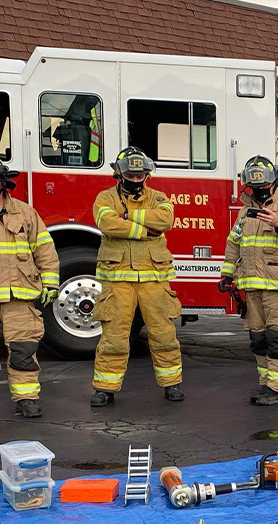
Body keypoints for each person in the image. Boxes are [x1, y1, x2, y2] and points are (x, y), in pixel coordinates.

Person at [91, 147, 182, 406]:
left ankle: (172, 383)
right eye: (130, 176)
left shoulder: (158, 197)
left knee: (163, 333)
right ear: (119, 174)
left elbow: (165, 220)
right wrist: (144, 231)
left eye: (140, 175)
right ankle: (105, 388)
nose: (135, 179)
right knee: (114, 336)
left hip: (154, 278)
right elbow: (107, 223)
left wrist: (129, 216)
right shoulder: (104, 198)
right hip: (118, 279)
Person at [220, 156, 278, 406]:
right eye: (254, 187)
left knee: (277, 339)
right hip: (252, 288)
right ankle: (266, 383)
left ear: (274, 184)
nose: (258, 191)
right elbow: (234, 244)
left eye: (263, 186)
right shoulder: (244, 214)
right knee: (258, 339)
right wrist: (227, 274)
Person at [0, 164, 59, 417]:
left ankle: (26, 398)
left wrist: (51, 282)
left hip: (18, 294)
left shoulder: (25, 213)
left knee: (23, 350)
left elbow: (44, 250)